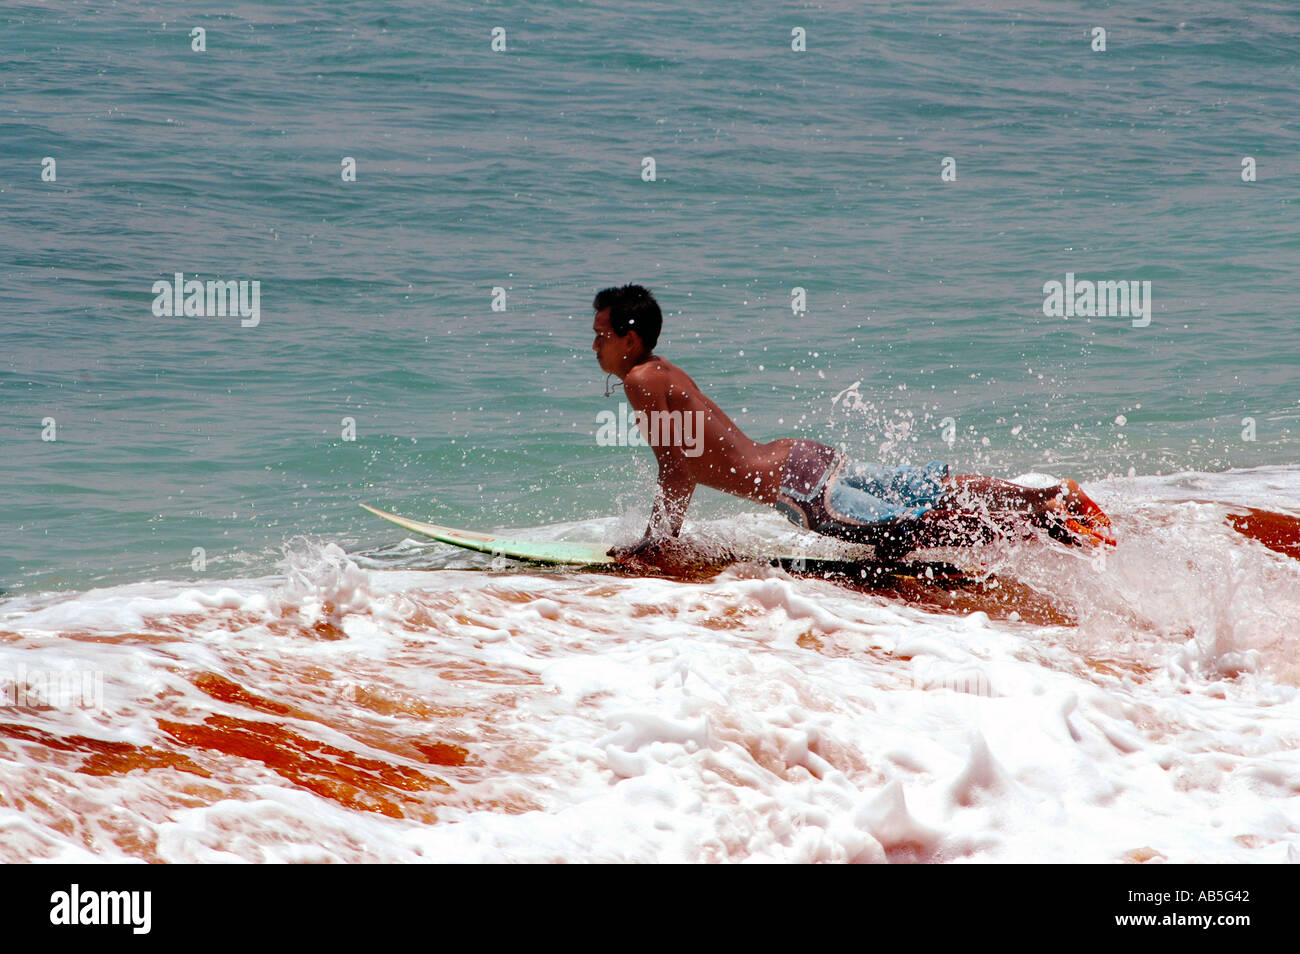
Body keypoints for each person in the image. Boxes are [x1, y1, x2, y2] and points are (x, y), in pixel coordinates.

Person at [591, 284, 1115, 565]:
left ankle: (1044, 517)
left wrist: (656, 542)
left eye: (601, 335)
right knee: (923, 494)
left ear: (630, 339)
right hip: (801, 461)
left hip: (799, 486)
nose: (594, 345)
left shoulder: (641, 380)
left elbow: (676, 469)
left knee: (911, 522)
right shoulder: (663, 372)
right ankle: (1047, 501)